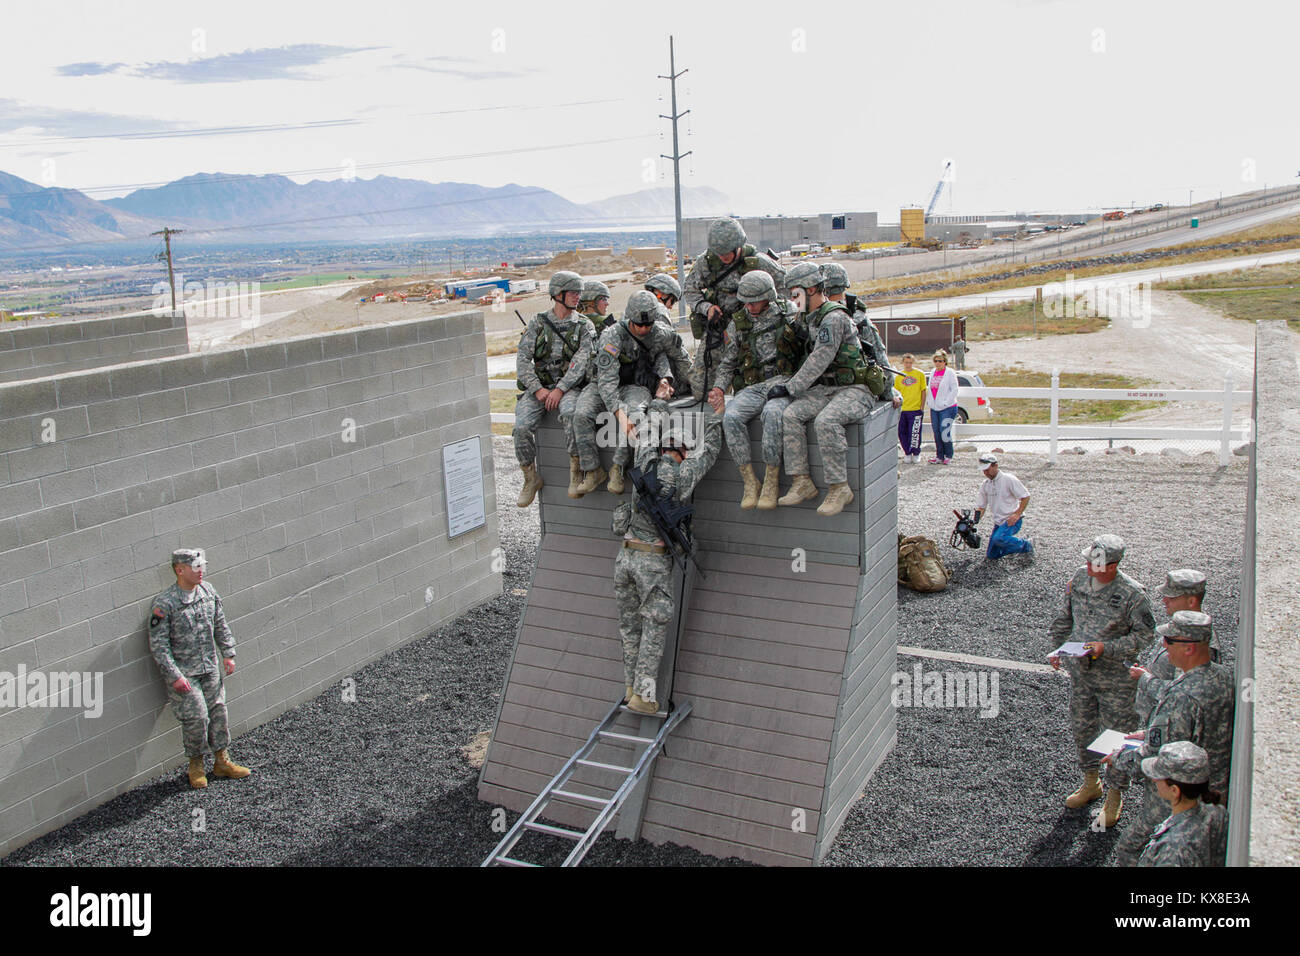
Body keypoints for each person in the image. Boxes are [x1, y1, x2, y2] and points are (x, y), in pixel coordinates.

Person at [613, 410, 723, 713]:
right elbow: (711, 450)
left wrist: (660, 400)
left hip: (625, 559)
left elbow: (644, 430)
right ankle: (645, 697)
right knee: (654, 625)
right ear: (683, 452)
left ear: (662, 448)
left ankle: (630, 688)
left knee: (630, 626)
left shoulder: (644, 462)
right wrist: (716, 417)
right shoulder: (684, 474)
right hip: (652, 563)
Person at [1106, 610, 1234, 866]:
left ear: (1188, 648)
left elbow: (1155, 753)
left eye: (1169, 641)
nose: (1163, 646)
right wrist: (1150, 730)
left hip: (1181, 792)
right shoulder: (1223, 676)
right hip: (1210, 791)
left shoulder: (1182, 697)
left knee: (1131, 848)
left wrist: (1119, 757)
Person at [1048, 534, 1156, 826]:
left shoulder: (1133, 594)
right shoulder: (1080, 578)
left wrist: (1105, 648)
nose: (1087, 564)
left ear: (1113, 565)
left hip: (1117, 680)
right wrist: (1058, 647)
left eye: (1093, 561)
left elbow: (1145, 636)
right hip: (1082, 674)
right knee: (1083, 728)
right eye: (1087, 559)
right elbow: (1065, 616)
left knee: (1116, 737)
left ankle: (1115, 795)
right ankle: (1091, 782)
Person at [767, 262, 877, 517]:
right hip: (827, 388)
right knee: (791, 415)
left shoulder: (834, 318)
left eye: (797, 294)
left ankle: (839, 487)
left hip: (855, 388)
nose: (793, 300)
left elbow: (819, 358)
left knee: (827, 421)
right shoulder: (809, 318)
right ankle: (801, 481)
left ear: (814, 289)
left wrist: (789, 387)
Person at [148, 549, 251, 790]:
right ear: (180, 569)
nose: (201, 571)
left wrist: (228, 653)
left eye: (202, 566)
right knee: (197, 718)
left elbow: (219, 623)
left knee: (218, 712)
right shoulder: (165, 603)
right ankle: (196, 764)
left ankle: (222, 761)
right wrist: (174, 676)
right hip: (185, 674)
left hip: (209, 667)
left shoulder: (208, 592)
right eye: (195, 567)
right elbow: (159, 645)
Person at [708, 270, 801, 509]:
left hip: (783, 382)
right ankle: (750, 481)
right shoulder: (738, 323)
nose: (749, 307)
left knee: (772, 414)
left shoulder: (788, 313)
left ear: (768, 296)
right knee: (731, 417)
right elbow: (728, 362)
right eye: (745, 302)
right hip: (753, 386)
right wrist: (719, 388)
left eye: (754, 301)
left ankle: (771, 480)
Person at [573, 290, 678, 495]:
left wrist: (668, 380)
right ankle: (592, 470)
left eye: (648, 325)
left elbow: (670, 356)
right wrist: (619, 413)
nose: (644, 329)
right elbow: (607, 382)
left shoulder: (659, 332)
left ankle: (617, 468)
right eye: (639, 324)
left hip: (635, 385)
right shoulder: (612, 336)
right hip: (605, 384)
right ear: (630, 319)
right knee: (581, 414)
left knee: (636, 416)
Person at [515, 270, 597, 503]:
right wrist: (538, 389)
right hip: (539, 388)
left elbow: (581, 363)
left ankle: (575, 471)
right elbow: (523, 360)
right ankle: (530, 477)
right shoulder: (538, 323)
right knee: (521, 427)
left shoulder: (584, 326)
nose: (577, 297)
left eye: (579, 293)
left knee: (571, 413)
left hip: (569, 388)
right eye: (572, 292)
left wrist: (560, 389)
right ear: (557, 294)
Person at [683, 218, 786, 402]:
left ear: (738, 245)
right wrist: (706, 308)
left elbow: (784, 288)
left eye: (727, 253)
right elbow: (689, 289)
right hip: (718, 328)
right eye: (719, 253)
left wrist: (767, 313)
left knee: (750, 384)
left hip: (751, 329)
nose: (723, 257)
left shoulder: (759, 263)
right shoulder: (706, 263)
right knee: (700, 387)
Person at [1134, 569, 1216, 727]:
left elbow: (1184, 691)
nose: (1164, 600)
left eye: (1171, 597)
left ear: (1191, 601)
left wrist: (1145, 678)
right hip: (1158, 720)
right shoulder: (1179, 630)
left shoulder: (1198, 640)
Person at [1134, 741, 1229, 867]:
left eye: (1159, 776)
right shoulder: (1218, 813)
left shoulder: (1172, 850)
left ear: (1174, 790)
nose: (1154, 779)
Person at [972, 453, 1033, 559]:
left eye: (987, 469)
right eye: (983, 470)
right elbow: (981, 507)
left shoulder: (1008, 479)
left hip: (1012, 519)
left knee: (999, 538)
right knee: (992, 555)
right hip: (998, 522)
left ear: (996, 466)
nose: (985, 472)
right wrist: (974, 521)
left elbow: (1025, 496)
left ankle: (1027, 545)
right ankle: (1015, 547)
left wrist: (1017, 514)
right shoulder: (985, 485)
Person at [926, 350, 959, 464]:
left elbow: (954, 389)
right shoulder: (932, 372)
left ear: (945, 362)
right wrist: (930, 402)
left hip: (947, 407)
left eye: (940, 361)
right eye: (935, 361)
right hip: (934, 408)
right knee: (936, 432)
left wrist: (946, 402)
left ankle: (948, 455)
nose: (938, 363)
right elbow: (930, 388)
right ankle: (939, 455)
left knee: (944, 431)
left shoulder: (950, 373)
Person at [894, 354, 926, 463]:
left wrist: (922, 407)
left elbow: (923, 390)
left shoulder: (919, 374)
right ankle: (907, 453)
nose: (908, 364)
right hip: (903, 410)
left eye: (910, 362)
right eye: (906, 362)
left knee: (914, 432)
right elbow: (896, 393)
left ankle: (916, 453)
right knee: (902, 432)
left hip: (915, 408)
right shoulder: (898, 376)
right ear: (903, 363)